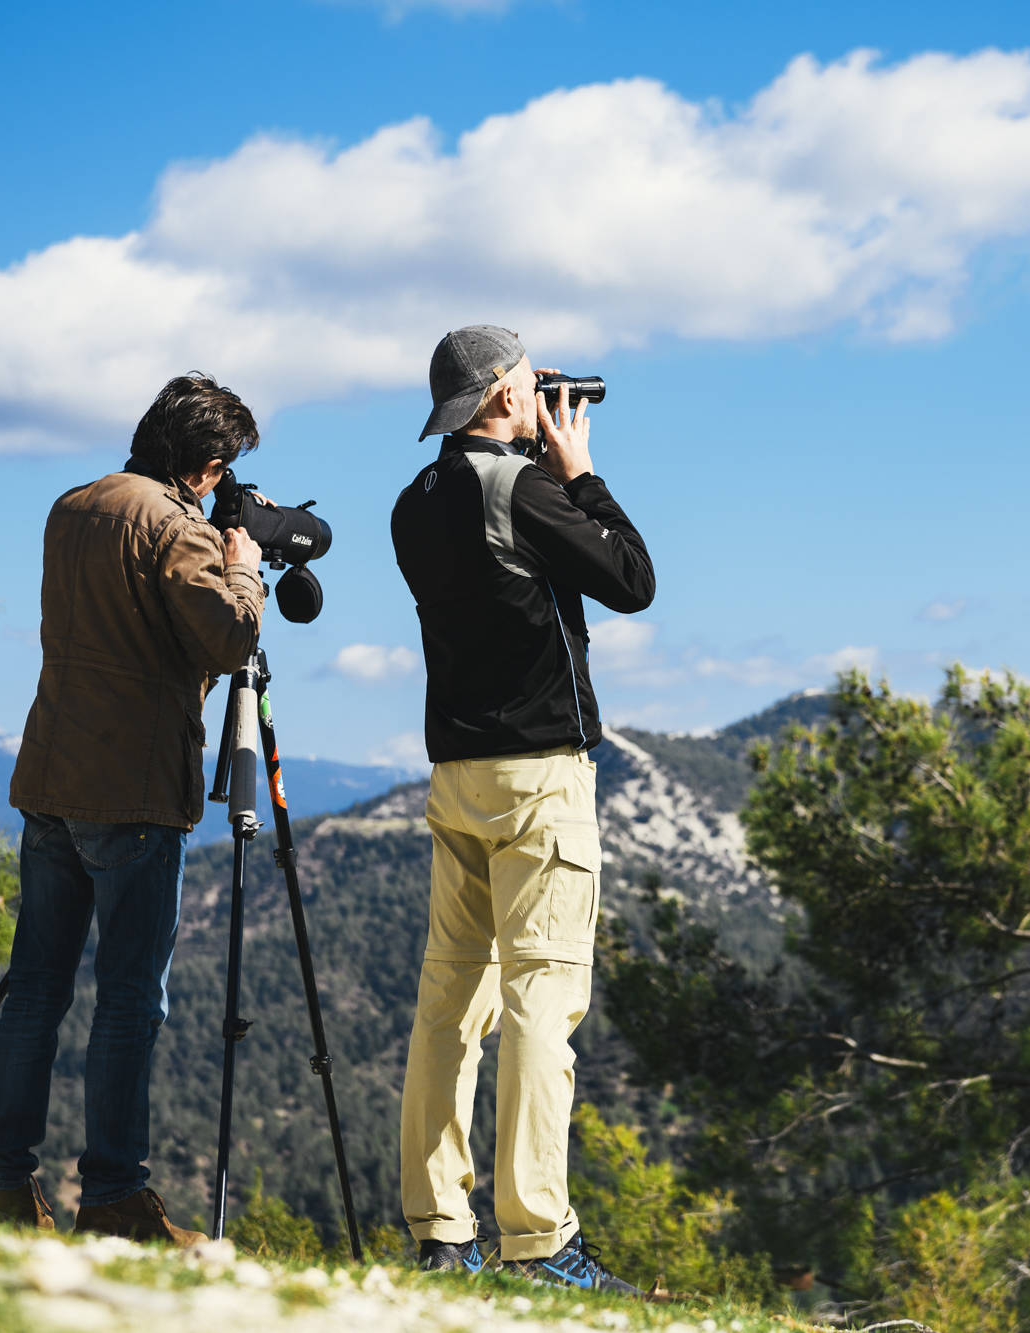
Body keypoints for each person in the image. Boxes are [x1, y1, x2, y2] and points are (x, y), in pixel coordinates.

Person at [0, 374, 267, 1243]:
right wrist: (241, 569)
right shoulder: (175, 526)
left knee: (35, 993)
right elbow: (228, 634)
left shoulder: (73, 507)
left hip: (51, 779)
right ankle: (112, 1198)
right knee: (129, 998)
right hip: (131, 793)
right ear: (206, 464)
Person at [390, 326, 655, 1292]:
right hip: (539, 776)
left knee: (449, 1002)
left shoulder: (411, 504)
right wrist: (580, 472)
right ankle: (539, 1239)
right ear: (505, 393)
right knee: (544, 1004)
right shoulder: (528, 491)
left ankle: (439, 1228)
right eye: (529, 385)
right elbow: (633, 579)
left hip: (454, 775)